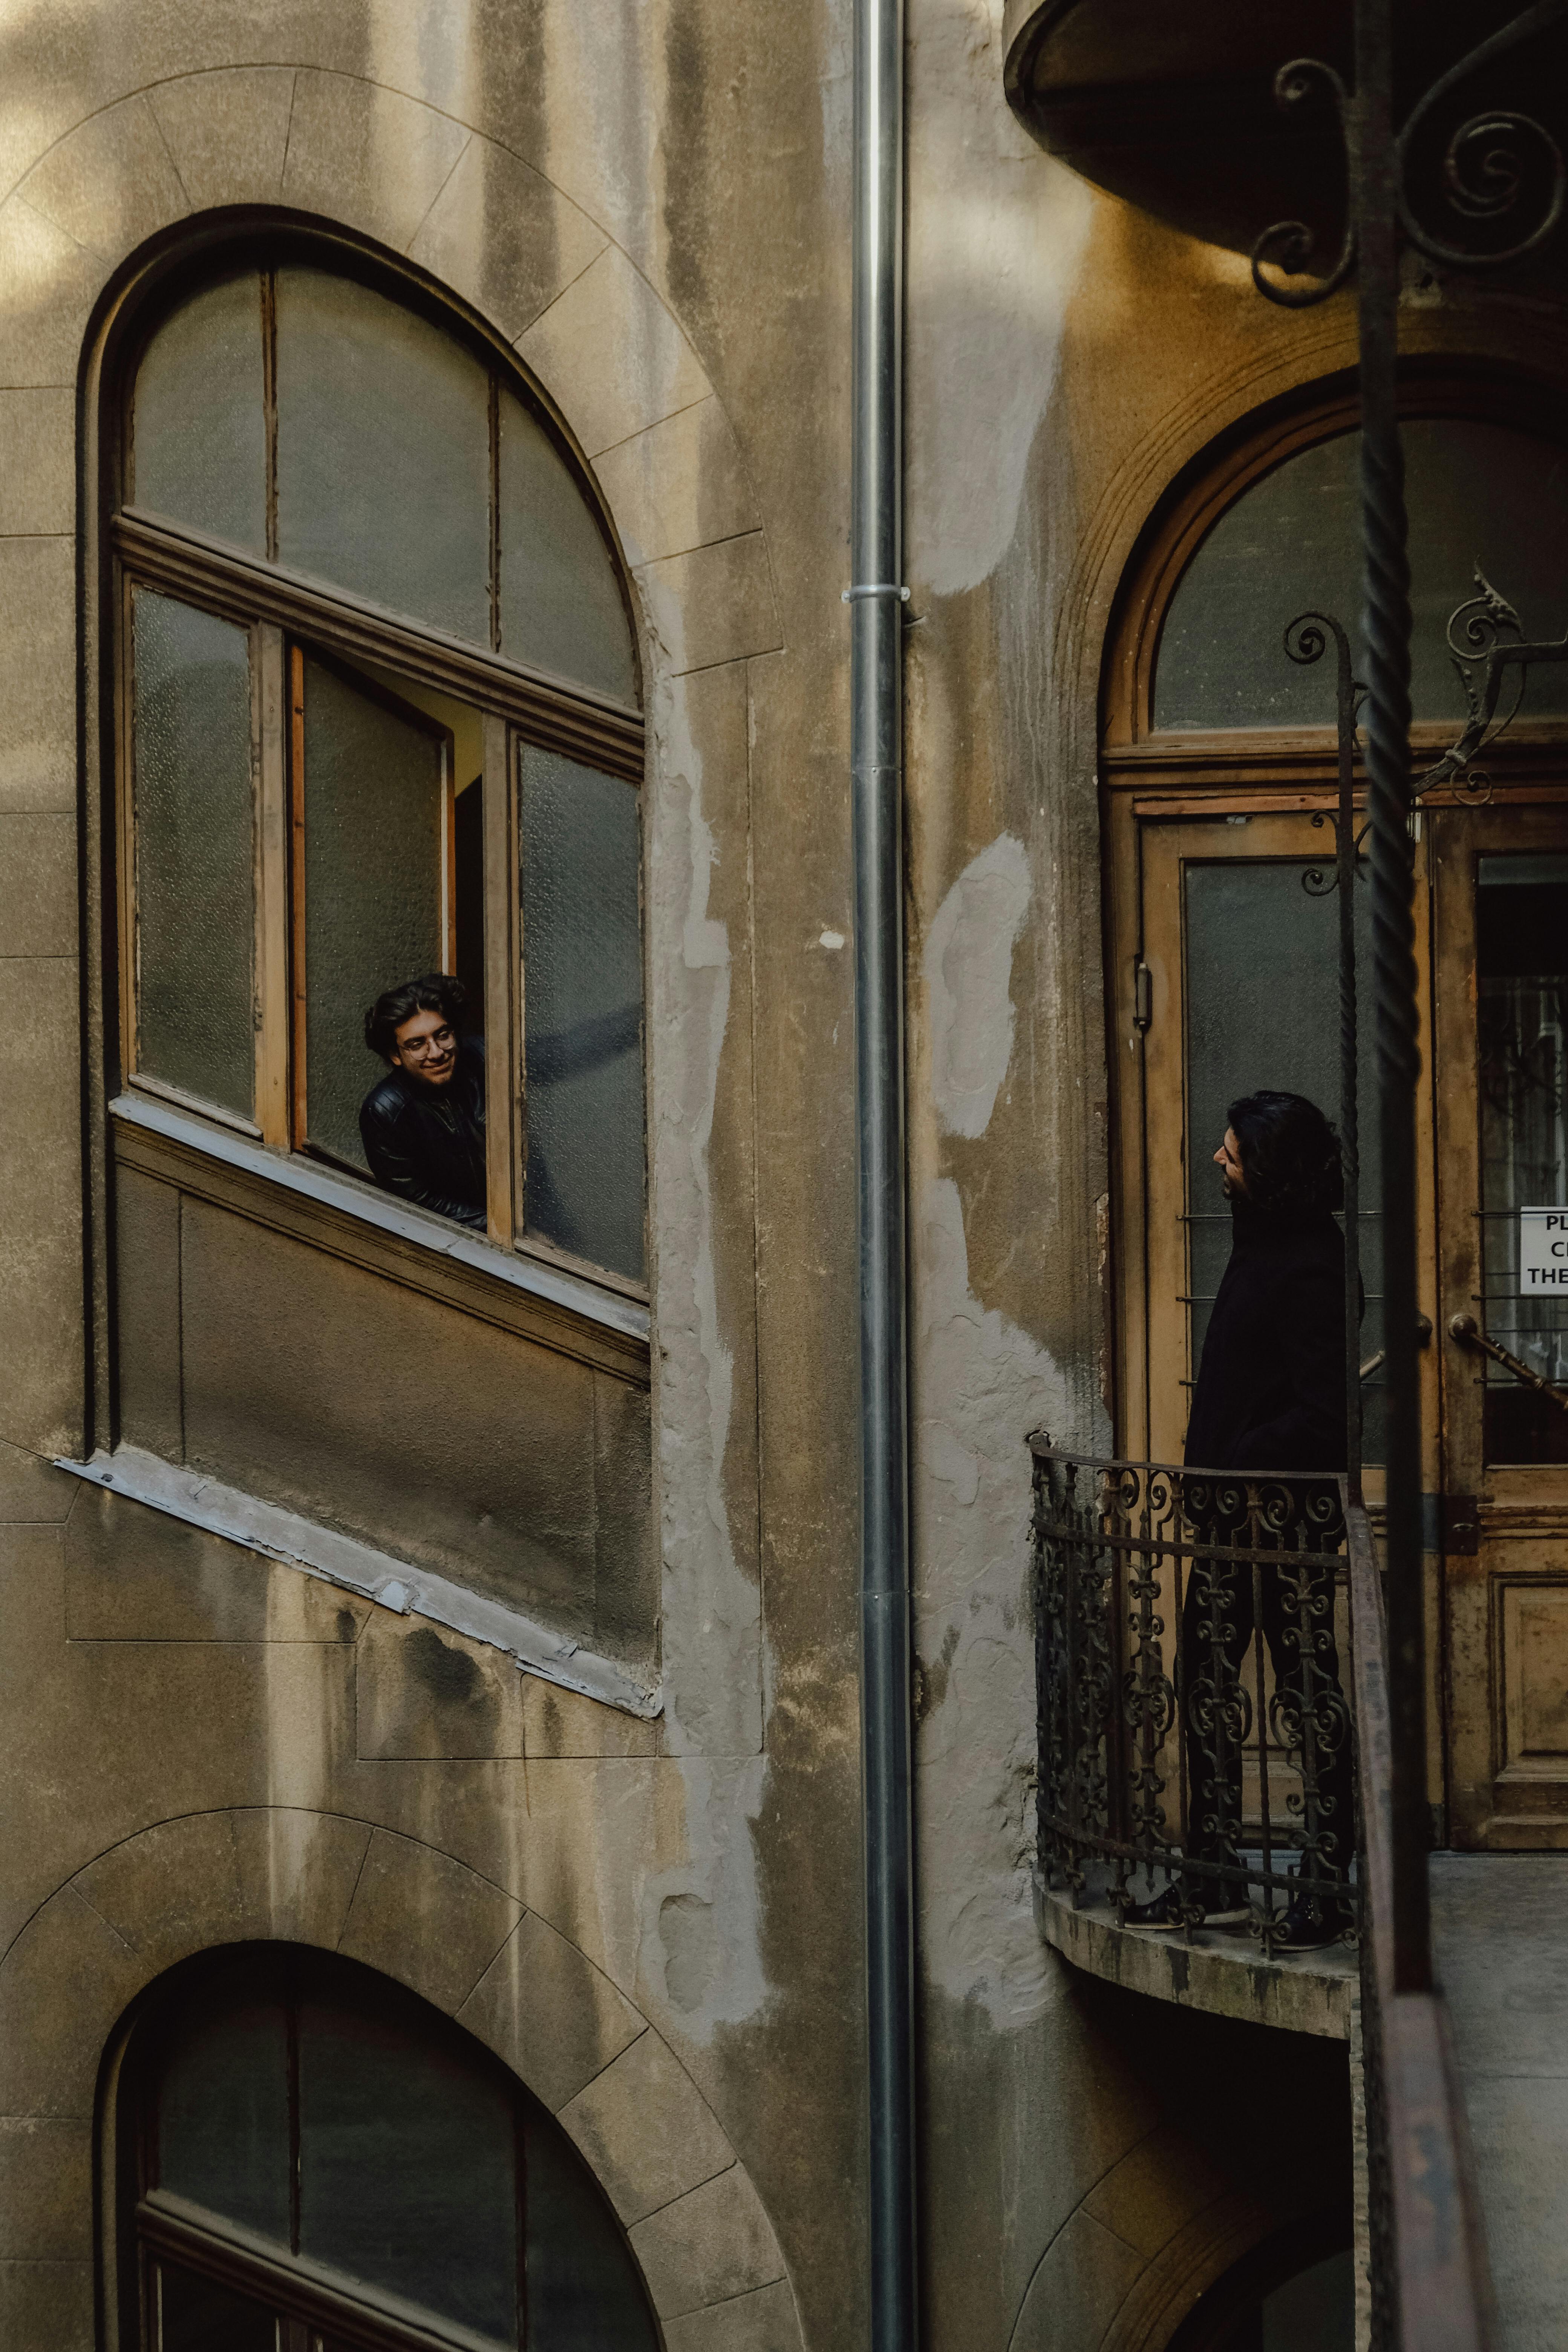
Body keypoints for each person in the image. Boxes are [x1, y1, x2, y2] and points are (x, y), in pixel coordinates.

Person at [1128, 1090, 1356, 1951]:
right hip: (1232, 1526)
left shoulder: (1310, 1263)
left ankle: (1326, 1886)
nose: (1217, 1161)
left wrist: (1234, 1458)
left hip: (1282, 1528)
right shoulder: (1262, 1243)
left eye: (1232, 1152)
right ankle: (1214, 1873)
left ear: (1270, 1169)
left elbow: (1323, 1415)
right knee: (1208, 1687)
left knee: (1308, 1700)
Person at [360, 974, 487, 1230]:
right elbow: (421, 1201)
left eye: (442, 1035)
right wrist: (505, 1229)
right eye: (417, 1045)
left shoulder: (482, 1057)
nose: (437, 1052)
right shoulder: (385, 1112)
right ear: (396, 1055)